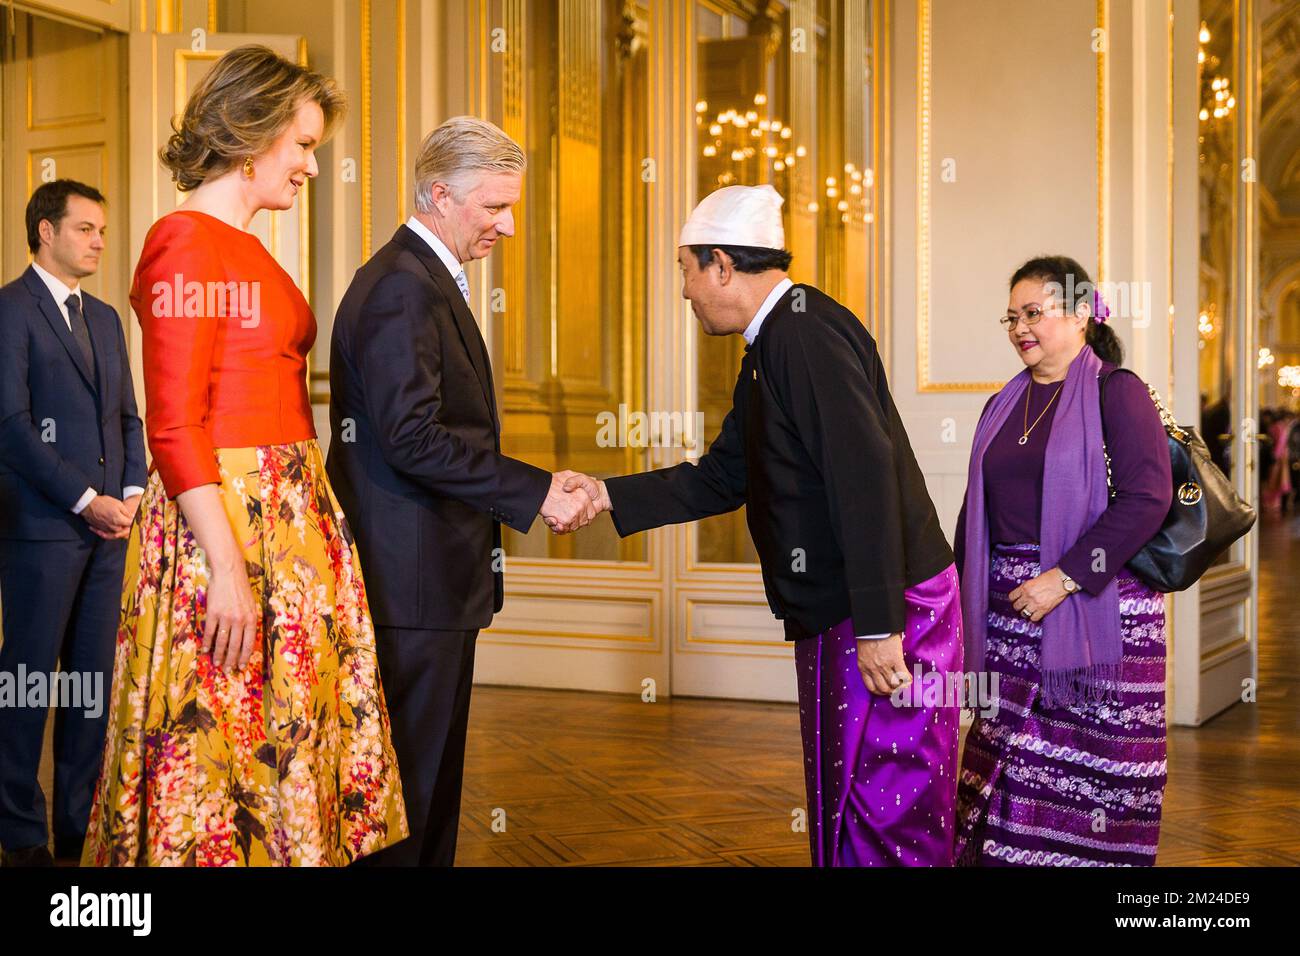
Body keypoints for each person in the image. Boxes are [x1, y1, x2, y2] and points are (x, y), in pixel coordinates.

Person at [82, 45, 407, 866]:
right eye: (299, 145)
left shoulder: (247, 244)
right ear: (247, 130)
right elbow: (174, 426)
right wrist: (227, 568)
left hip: (284, 518)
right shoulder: (184, 243)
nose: (308, 165)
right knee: (221, 740)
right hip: (224, 525)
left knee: (276, 732)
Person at [572, 184, 963, 866]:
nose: (686, 292)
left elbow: (863, 473)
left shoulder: (801, 334)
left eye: (686, 271)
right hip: (847, 608)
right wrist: (605, 494)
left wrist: (878, 625)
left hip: (881, 609)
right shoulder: (779, 339)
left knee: (885, 798)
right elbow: (724, 476)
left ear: (722, 265)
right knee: (850, 790)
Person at [327, 116, 599, 867]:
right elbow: (412, 438)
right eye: (494, 207)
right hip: (410, 582)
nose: (508, 226)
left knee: (430, 785)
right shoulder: (401, 290)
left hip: (431, 579)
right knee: (406, 794)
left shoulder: (420, 279)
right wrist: (536, 492)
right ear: (440, 193)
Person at [953, 255, 1172, 866]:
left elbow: (1148, 497)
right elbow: (976, 514)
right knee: (1001, 771)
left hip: (1100, 614)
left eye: (1034, 313)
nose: (1020, 327)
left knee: (1087, 777)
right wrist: (948, 595)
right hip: (1008, 618)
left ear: (1079, 314)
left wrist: (1064, 577)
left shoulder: (1116, 392)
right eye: (1011, 317)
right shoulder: (1002, 404)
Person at [0, 181, 147, 867]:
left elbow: (128, 418)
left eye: (101, 230)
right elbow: (11, 428)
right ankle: (20, 834)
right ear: (45, 232)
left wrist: (132, 488)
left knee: (89, 689)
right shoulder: (9, 310)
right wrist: (87, 498)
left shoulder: (108, 318)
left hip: (110, 535)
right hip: (42, 531)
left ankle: (77, 829)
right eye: (85, 229)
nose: (98, 241)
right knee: (29, 686)